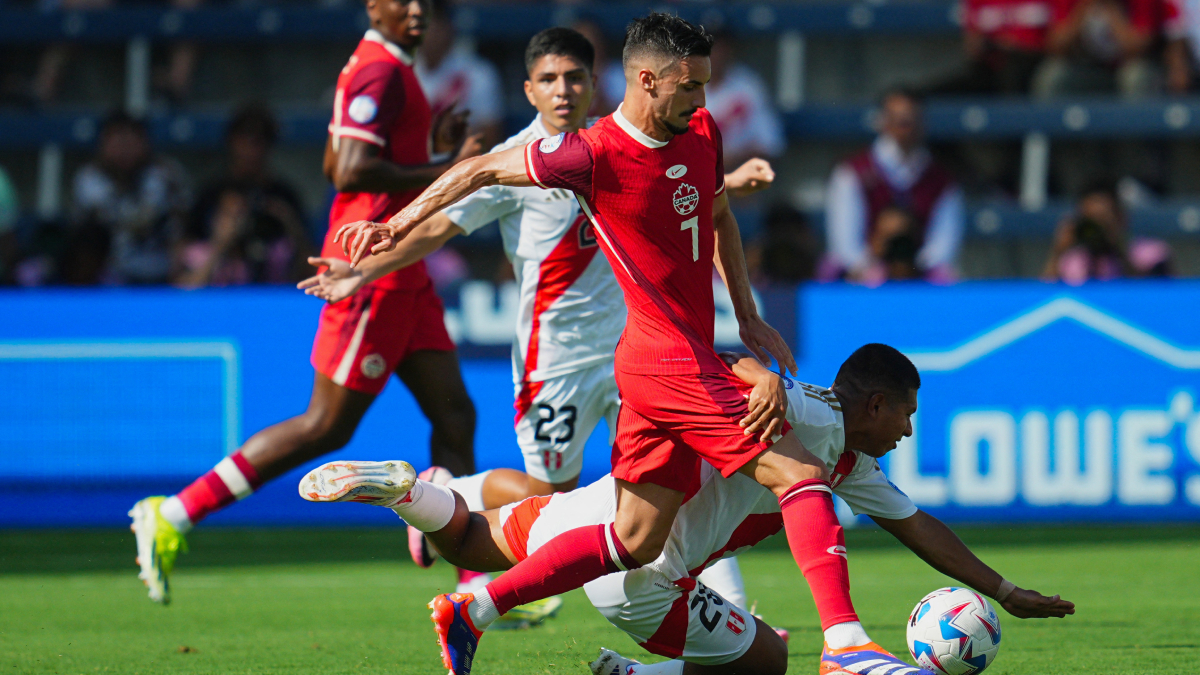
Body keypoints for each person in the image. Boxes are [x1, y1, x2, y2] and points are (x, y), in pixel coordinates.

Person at [337, 13, 916, 675]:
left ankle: (466, 582)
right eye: (691, 85)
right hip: (638, 359)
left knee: (632, 535)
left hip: (668, 356)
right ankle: (845, 643)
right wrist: (395, 222)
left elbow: (716, 211)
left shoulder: (698, 128)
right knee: (788, 472)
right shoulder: (591, 154)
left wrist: (748, 313)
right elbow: (482, 172)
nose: (703, 99)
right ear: (647, 80)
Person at [300, 26, 777, 613]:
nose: (564, 90)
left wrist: (728, 183)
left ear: (596, 83)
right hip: (554, 357)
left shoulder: (624, 139)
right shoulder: (545, 157)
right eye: (549, 79)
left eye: (575, 77)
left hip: (633, 348)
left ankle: (732, 609)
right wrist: (366, 265)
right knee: (550, 500)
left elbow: (658, 187)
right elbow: (441, 221)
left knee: (685, 474)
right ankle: (450, 494)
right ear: (529, 91)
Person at [300, 344, 1075, 675]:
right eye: (905, 414)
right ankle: (843, 644)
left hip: (605, 508)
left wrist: (1004, 590)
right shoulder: (810, 420)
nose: (907, 431)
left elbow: (918, 525)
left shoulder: (850, 454)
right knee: (768, 659)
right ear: (873, 403)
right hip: (642, 572)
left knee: (479, 532)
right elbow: (712, 361)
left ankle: (404, 492)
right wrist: (749, 366)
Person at [127, 0, 482, 605]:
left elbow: (330, 157)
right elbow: (347, 172)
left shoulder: (385, 66)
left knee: (455, 418)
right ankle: (175, 513)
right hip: (367, 264)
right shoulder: (379, 70)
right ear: (375, 7)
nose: (418, 9)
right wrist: (448, 165)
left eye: (426, 1)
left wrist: (430, 153)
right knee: (325, 426)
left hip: (401, 261)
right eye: (404, 0)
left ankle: (475, 583)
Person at [821, 89, 963, 285]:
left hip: (919, 282)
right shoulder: (852, 173)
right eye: (898, 119)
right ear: (883, 121)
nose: (905, 127)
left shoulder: (941, 180)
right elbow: (845, 244)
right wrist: (874, 272)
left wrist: (908, 270)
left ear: (923, 123)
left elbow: (942, 248)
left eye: (911, 120)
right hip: (861, 282)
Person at [177, 104, 313, 287]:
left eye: (258, 141)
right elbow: (182, 286)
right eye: (243, 140)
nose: (250, 150)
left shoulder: (284, 197)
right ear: (231, 142)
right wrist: (222, 241)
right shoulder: (209, 196)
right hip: (214, 298)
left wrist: (292, 228)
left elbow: (313, 276)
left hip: (273, 298)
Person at [71, 111, 191, 285]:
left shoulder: (167, 174)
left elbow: (184, 228)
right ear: (103, 144)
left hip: (163, 271)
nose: (124, 150)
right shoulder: (89, 179)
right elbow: (86, 238)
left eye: (131, 141)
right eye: (117, 142)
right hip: (108, 274)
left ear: (145, 143)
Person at [415, 0, 505, 150]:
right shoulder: (401, 69)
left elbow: (490, 134)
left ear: (449, 27)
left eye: (436, 25)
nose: (430, 34)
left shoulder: (479, 72)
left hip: (462, 164)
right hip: (412, 165)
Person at [1042, 182, 1172, 283]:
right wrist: (1057, 252)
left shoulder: (1150, 253)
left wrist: (1119, 249)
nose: (1097, 227)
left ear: (1121, 217)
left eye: (1103, 219)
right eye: (1091, 220)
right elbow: (1043, 300)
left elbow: (1157, 296)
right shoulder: (1072, 261)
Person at [702, 33, 786, 170]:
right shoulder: (678, 86)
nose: (714, 54)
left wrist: (735, 158)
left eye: (719, 47)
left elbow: (771, 145)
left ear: (729, 50)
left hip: (739, 176)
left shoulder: (748, 86)